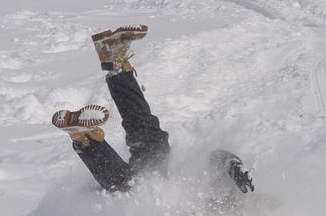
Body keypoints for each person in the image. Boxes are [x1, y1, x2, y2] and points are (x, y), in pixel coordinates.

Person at [51, 25, 255, 195]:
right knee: (155, 145)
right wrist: (234, 168)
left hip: (126, 214)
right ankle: (116, 65)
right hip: (156, 193)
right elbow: (218, 157)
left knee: (133, 190)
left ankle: (85, 140)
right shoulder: (232, 194)